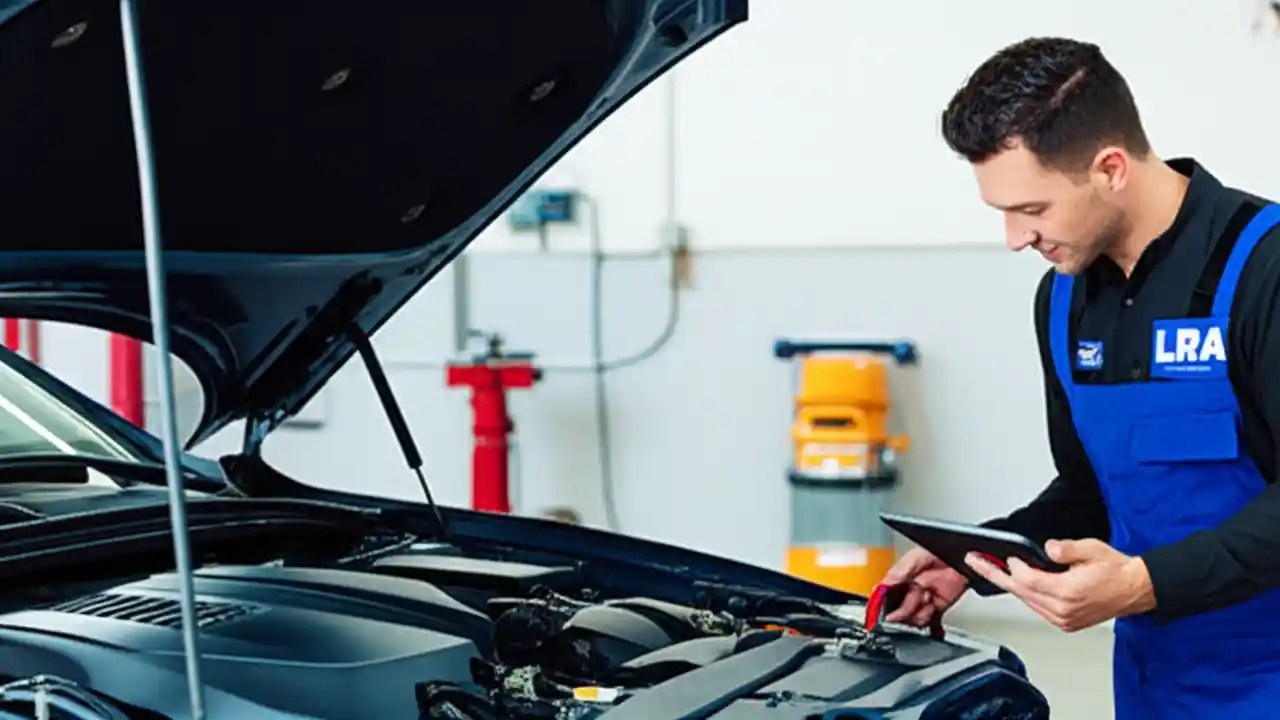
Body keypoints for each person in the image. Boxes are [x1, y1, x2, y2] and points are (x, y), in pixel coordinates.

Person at [881, 36, 1280, 717]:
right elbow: (1089, 490)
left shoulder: (1262, 268)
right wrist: (979, 563)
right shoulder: (1062, 299)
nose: (1014, 238)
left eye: (1031, 210)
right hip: (1154, 676)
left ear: (1112, 168)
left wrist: (1145, 583)